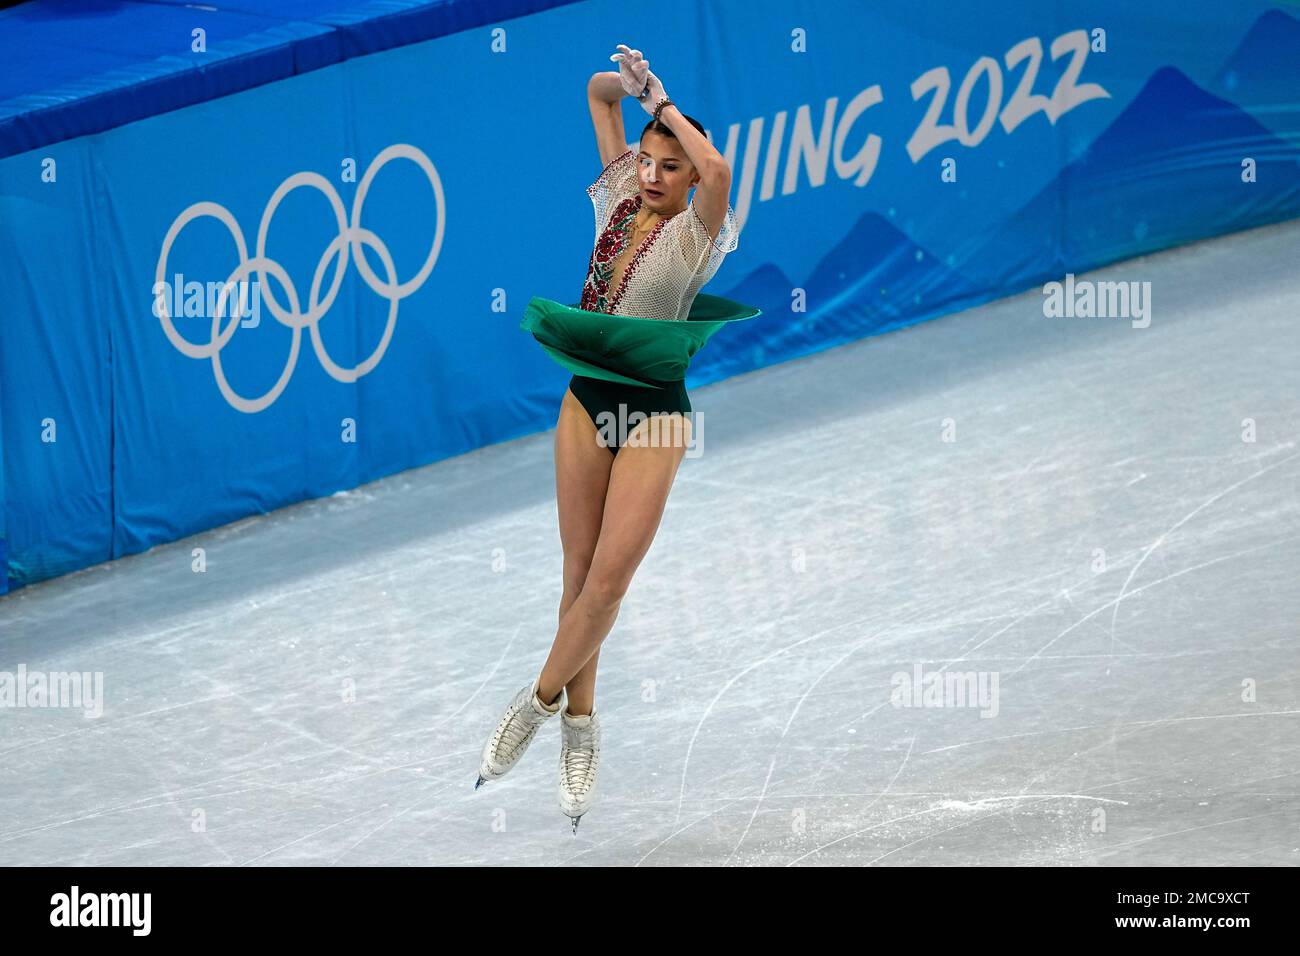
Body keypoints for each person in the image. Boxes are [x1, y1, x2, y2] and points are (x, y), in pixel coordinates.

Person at [476, 44, 740, 833]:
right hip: (588, 401)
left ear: (689, 180)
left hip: (653, 409)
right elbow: (596, 98)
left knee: (610, 585)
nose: (655, 174)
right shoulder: (619, 196)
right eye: (649, 162)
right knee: (577, 574)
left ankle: (536, 703)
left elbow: (719, 170)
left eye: (669, 165)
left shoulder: (700, 232)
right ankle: (581, 729)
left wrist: (663, 105)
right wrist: (631, 87)